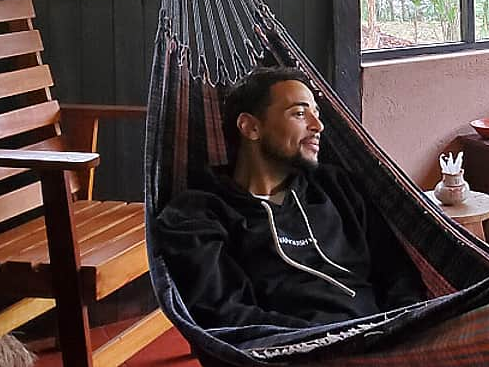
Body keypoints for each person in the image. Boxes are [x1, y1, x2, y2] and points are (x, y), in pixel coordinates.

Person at [154, 67, 426, 332]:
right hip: (290, 352)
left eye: (316, 114)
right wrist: (328, 340)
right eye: (299, 113)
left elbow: (397, 271)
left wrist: (403, 327)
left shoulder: (336, 187)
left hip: (385, 341)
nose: (318, 126)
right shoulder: (199, 213)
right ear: (250, 127)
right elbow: (222, 313)